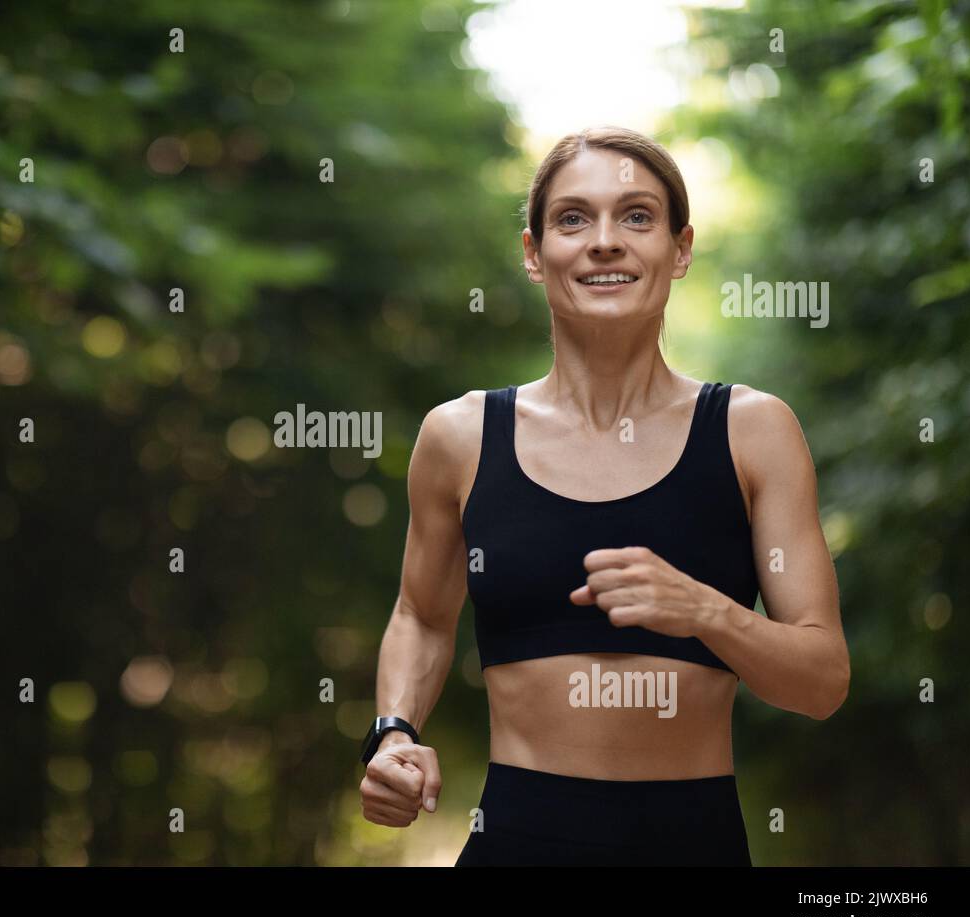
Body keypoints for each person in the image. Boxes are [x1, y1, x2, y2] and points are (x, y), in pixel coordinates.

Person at [357, 126, 850, 865]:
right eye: (573, 218)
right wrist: (394, 733)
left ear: (680, 250)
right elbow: (422, 618)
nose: (606, 241)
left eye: (638, 216)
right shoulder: (460, 437)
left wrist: (706, 611)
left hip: (694, 843)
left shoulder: (753, 432)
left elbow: (822, 681)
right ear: (534, 252)